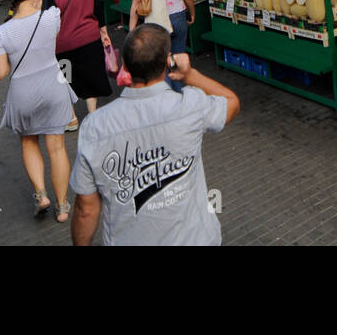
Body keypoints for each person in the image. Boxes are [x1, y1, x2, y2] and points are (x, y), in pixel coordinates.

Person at [69, 25, 239, 246]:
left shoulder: (95, 126)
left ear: (125, 65)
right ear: (167, 63)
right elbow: (232, 102)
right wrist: (191, 76)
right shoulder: (190, 105)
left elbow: (86, 209)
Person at [0, 0, 78, 222]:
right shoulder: (51, 17)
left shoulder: (0, 32)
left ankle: (41, 194)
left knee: (29, 143)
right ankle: (62, 206)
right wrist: (39, 6)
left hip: (23, 91)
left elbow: (0, 73)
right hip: (53, 85)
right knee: (57, 147)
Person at [50, 0, 112, 117]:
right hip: (89, 40)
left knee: (65, 79)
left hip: (62, 46)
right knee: (91, 75)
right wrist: (104, 33)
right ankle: (92, 112)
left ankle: (71, 117)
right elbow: (98, 11)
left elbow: (50, 23)